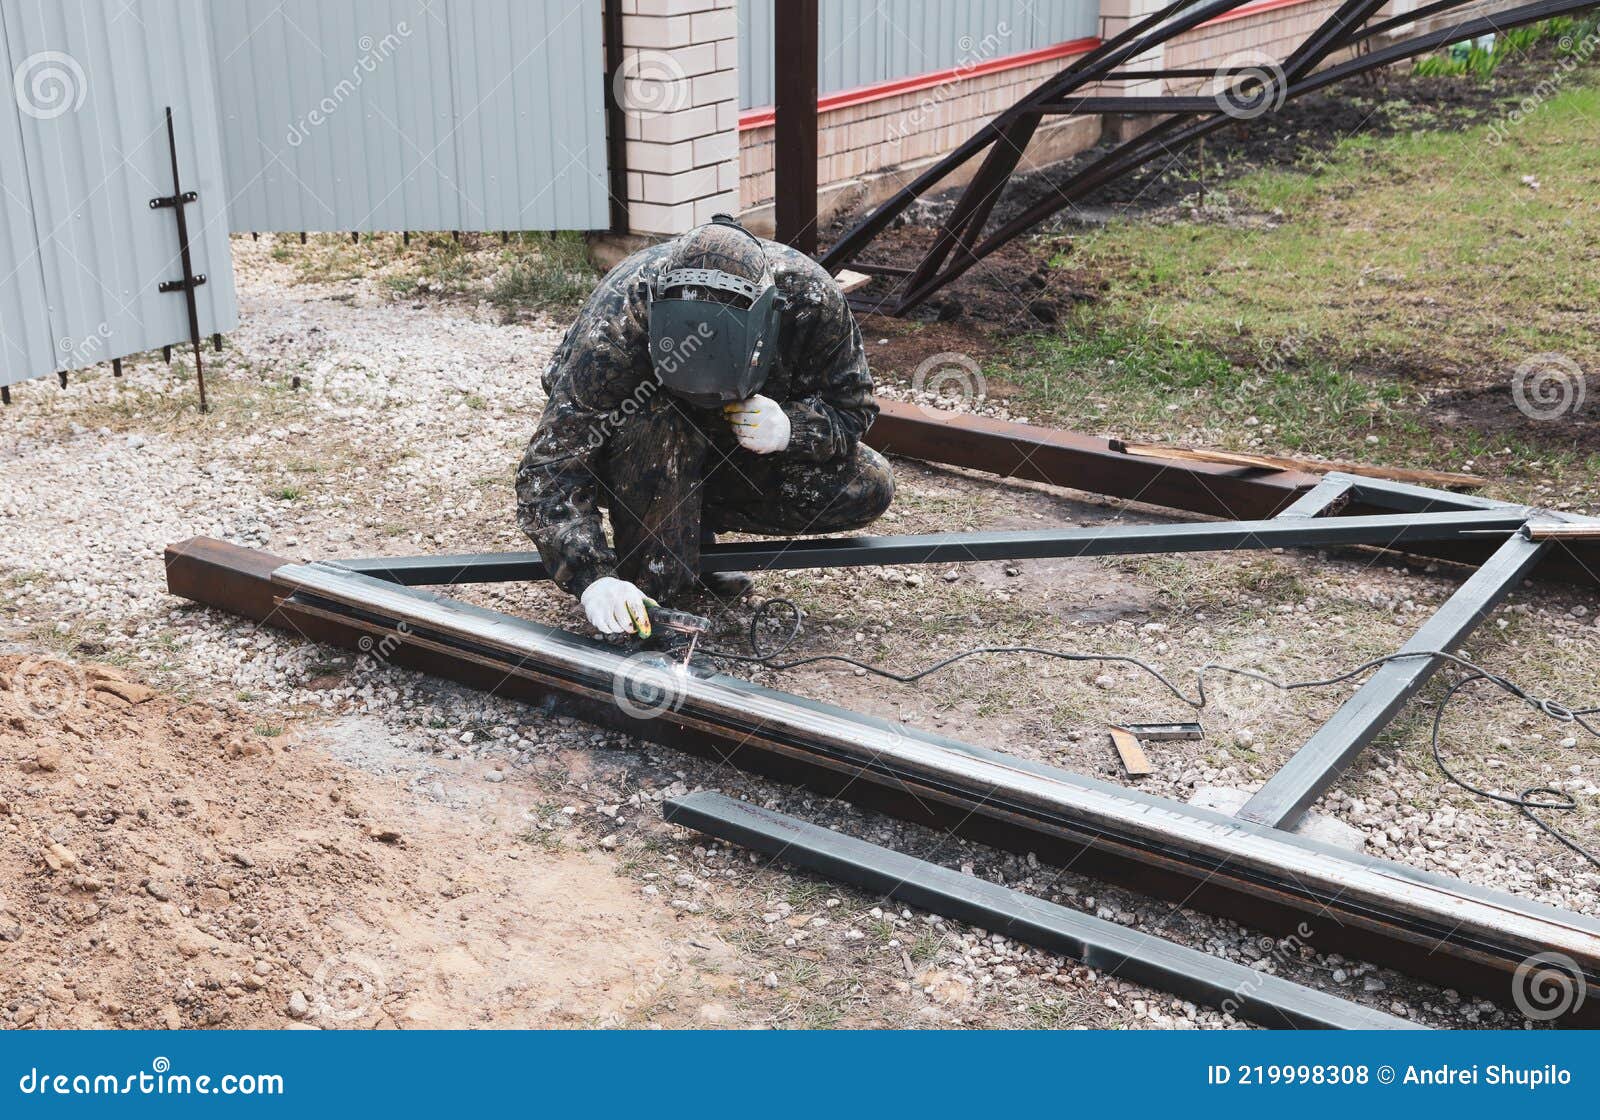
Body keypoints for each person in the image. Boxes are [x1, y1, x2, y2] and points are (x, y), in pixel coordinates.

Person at [515, 215, 894, 638]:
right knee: (655, 420)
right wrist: (591, 576)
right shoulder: (619, 319)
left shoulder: (808, 298)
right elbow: (552, 466)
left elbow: (853, 409)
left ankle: (690, 533)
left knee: (867, 483)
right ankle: (653, 585)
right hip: (638, 453)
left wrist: (792, 429)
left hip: (736, 457)